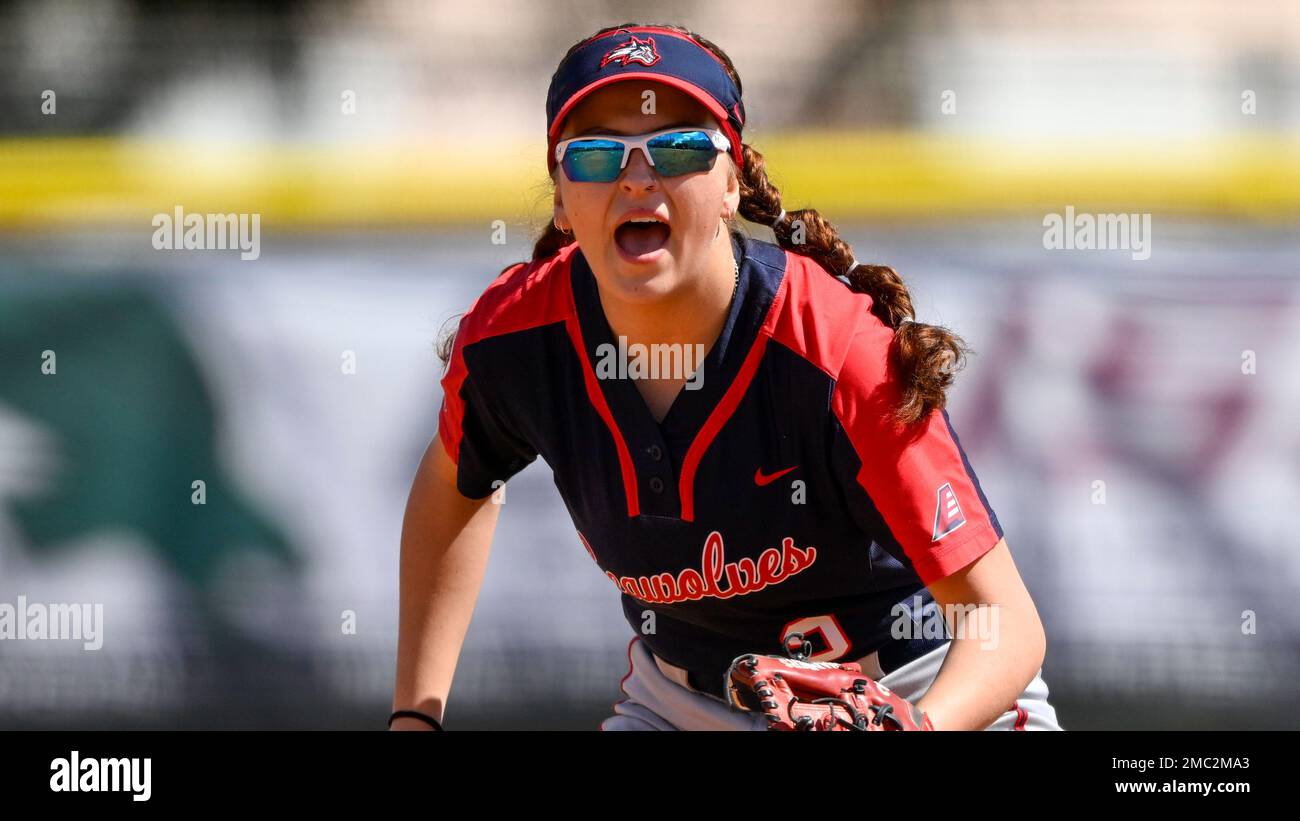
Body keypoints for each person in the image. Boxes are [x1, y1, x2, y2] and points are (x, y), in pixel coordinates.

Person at [391, 22, 1061, 731]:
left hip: (916, 689)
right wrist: (416, 716)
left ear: (733, 183)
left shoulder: (833, 348)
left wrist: (917, 725)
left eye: (679, 147)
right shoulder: (518, 340)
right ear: (560, 196)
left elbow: (1004, 621)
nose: (637, 176)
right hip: (685, 707)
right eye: (592, 155)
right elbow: (453, 487)